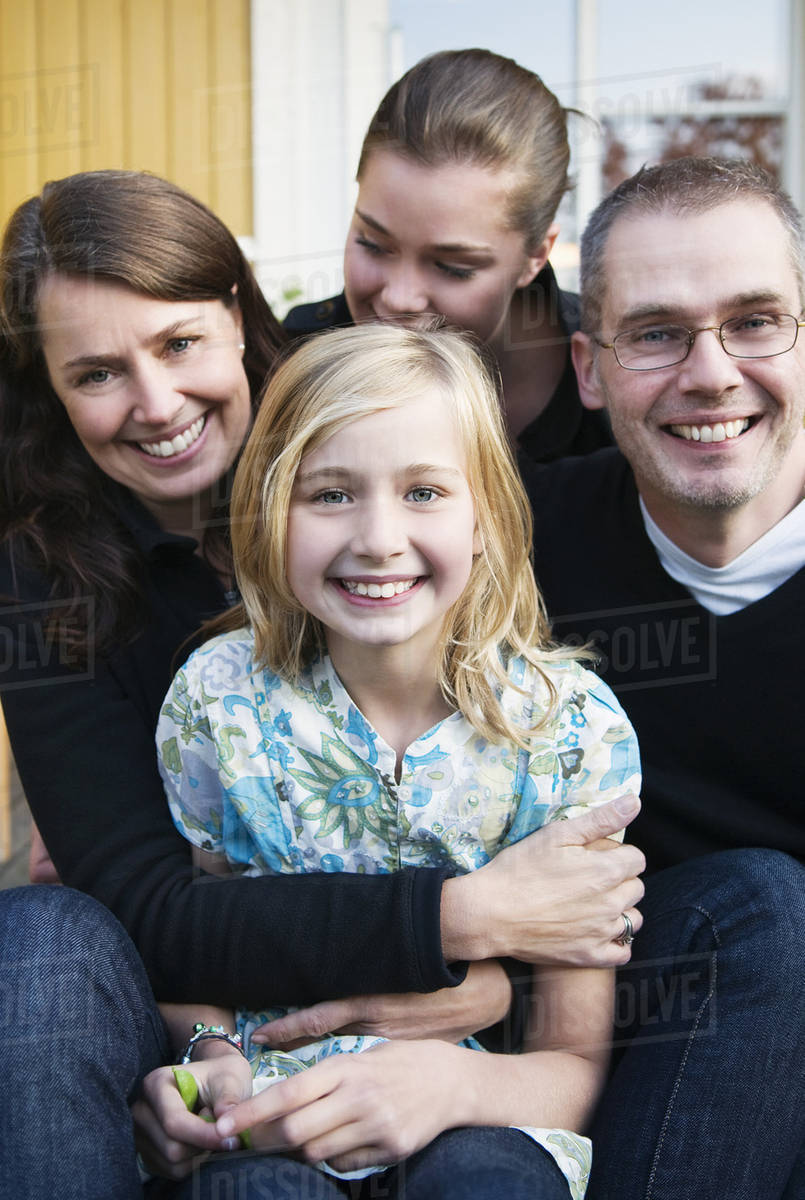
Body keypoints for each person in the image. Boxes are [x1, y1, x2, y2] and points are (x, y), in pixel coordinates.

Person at [0, 171, 644, 1198]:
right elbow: (154, 915)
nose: (157, 403)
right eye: (95, 373)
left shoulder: (550, 713)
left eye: (178, 344)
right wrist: (464, 929)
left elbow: (568, 1039)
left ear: (239, 320)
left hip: (468, 1102)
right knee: (39, 938)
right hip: (234, 1056)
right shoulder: (186, 675)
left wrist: (477, 1011)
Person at [140, 321, 641, 1200]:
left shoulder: (569, 731)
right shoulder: (216, 701)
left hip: (476, 1121)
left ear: (484, 516)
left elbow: (569, 1063)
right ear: (271, 507)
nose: (377, 537)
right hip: (276, 1111)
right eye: (330, 494)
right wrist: (209, 1057)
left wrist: (456, 1086)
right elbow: (200, 950)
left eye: (423, 492)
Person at [517, 156, 805, 1198]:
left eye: (754, 321)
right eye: (656, 333)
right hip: (597, 1056)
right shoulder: (508, 550)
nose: (712, 371)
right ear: (589, 371)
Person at [284, 47, 612, 463]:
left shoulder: (622, 373)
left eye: (453, 267)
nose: (400, 298)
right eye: (372, 243)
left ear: (536, 255)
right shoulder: (291, 363)